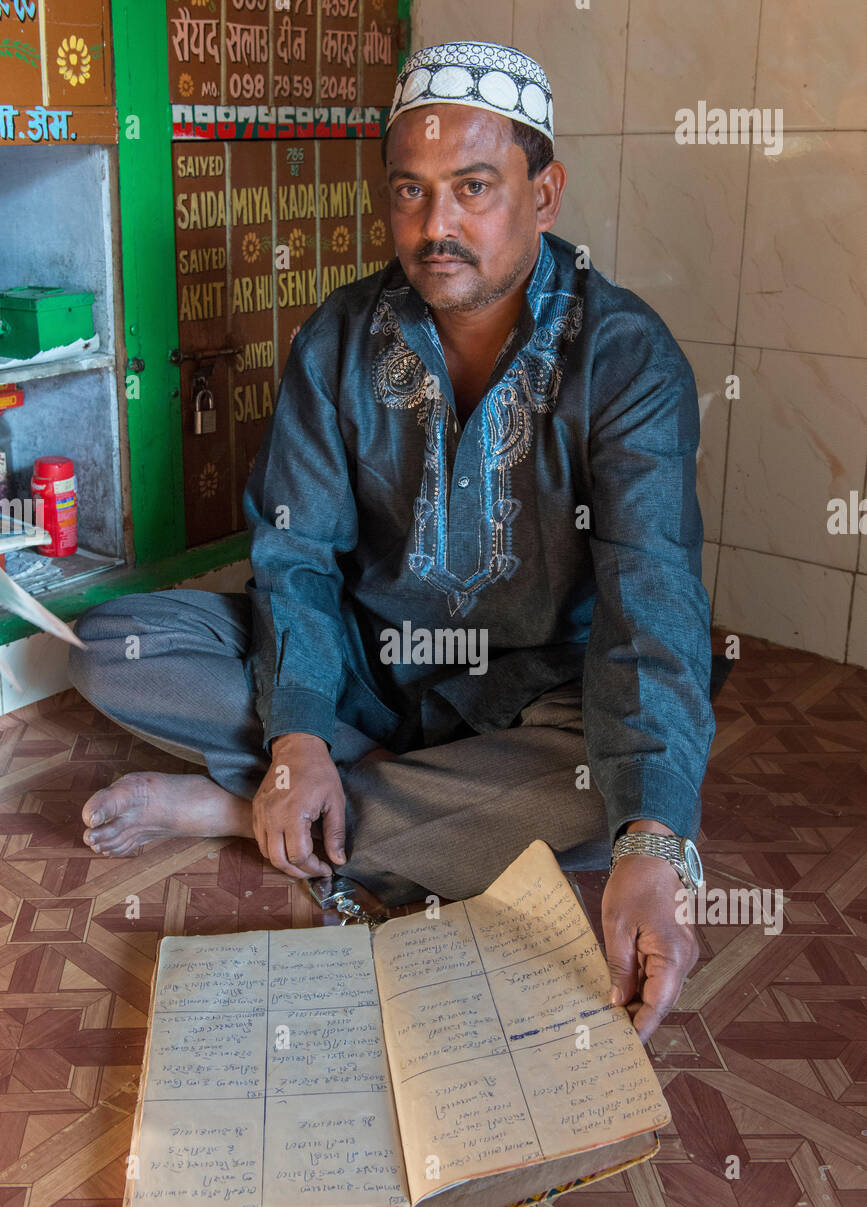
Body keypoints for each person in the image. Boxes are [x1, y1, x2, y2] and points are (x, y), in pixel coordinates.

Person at [68, 41, 715, 1042]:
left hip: (532, 699)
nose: (435, 225)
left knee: (612, 803)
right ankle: (363, 807)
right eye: (408, 191)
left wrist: (657, 844)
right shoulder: (339, 337)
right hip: (365, 674)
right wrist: (297, 737)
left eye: (472, 188)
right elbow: (296, 557)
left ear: (545, 195)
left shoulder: (626, 362)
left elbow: (654, 601)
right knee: (113, 648)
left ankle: (243, 815)